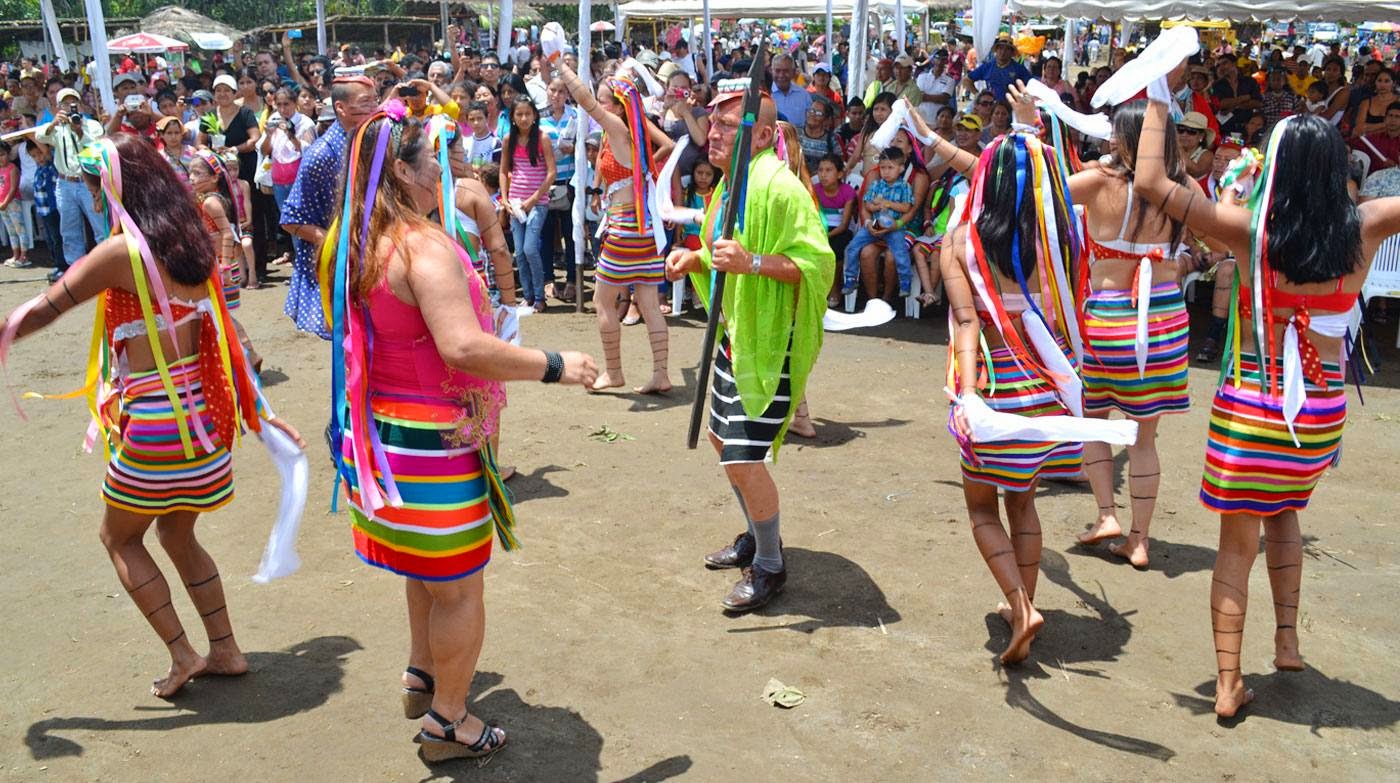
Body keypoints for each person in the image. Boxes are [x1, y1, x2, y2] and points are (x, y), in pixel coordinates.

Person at [323, 106, 596, 762]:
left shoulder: (354, 237)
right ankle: (448, 720)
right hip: (434, 448)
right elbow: (463, 347)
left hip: (383, 437)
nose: (455, 170)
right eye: (441, 161)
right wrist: (556, 365)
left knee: (427, 570)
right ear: (405, 171)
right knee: (461, 587)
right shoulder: (423, 246)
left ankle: (422, 669)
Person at [1136, 61, 1400, 719]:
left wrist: (1158, 94)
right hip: (1318, 415)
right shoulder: (1365, 224)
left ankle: (1228, 684)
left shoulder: (1248, 231)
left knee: (1236, 544)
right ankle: (1286, 640)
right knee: (1285, 510)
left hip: (1251, 411)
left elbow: (1149, 181)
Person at [0, 134, 302, 698]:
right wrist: (261, 410)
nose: (93, 197)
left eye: (95, 187)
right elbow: (228, 336)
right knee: (178, 533)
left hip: (157, 426)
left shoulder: (123, 254)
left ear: (114, 189)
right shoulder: (192, 241)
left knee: (119, 539)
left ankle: (184, 654)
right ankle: (226, 650)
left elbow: (40, 312)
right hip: (204, 424)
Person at [664, 81, 834, 611]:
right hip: (733, 336)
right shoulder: (730, 184)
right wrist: (697, 259)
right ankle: (758, 538)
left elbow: (816, 265)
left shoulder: (779, 187)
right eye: (710, 123)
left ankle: (769, 566)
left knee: (742, 457)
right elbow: (727, 250)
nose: (709, 132)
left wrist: (753, 264)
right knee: (722, 444)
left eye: (724, 126)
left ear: (760, 135)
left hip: (768, 344)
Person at [941, 125, 1080, 665]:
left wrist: (971, 394)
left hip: (996, 391)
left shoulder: (962, 242)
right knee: (1023, 501)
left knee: (981, 508)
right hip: (1043, 396)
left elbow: (966, 320)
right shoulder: (1059, 241)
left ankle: (1020, 605)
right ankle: (1025, 604)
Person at [1045, 96, 1196, 570]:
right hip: (1166, 317)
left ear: (1127, 139)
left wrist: (1035, 131)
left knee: (1095, 420)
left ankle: (1107, 514)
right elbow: (1208, 239)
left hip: (1111, 316)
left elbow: (1035, 195)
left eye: (1115, 132)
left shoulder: (1097, 182)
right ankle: (1140, 540)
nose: (1108, 138)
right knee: (1145, 440)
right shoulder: (1184, 186)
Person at [556, 56, 675, 394]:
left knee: (603, 301)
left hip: (624, 230)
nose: (600, 105)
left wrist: (560, 66)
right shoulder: (632, 131)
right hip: (646, 230)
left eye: (606, 100)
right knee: (649, 304)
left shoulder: (619, 130)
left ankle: (614, 372)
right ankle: (660, 374)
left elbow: (584, 100)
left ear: (619, 108)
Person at [281, 74, 378, 339]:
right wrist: (335, 243)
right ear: (341, 108)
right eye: (365, 102)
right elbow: (290, 218)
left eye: (375, 100)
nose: (374, 108)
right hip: (339, 264)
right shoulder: (321, 155)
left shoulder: (372, 141)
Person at [36, 87, 106, 277]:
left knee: (100, 227)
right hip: (65, 183)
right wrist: (53, 123)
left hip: (88, 182)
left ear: (80, 104)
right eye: (65, 103)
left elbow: (96, 146)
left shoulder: (90, 124)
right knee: (69, 229)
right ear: (58, 107)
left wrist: (79, 131)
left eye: (72, 103)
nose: (70, 107)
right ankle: (76, 271)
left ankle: (106, 267)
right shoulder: (58, 126)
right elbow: (40, 136)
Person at [499, 97, 556, 312]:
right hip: (515, 203)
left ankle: (540, 296)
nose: (524, 118)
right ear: (512, 117)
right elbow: (503, 171)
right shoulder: (508, 140)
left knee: (530, 248)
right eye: (519, 114)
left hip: (537, 202)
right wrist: (504, 200)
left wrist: (533, 199)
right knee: (520, 253)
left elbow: (552, 173)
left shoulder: (542, 138)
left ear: (534, 116)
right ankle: (529, 296)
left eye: (528, 114)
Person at [843, 147, 915, 297]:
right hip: (877, 223)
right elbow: (867, 204)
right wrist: (876, 206)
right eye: (883, 168)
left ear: (901, 168)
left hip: (895, 226)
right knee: (852, 246)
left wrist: (887, 203)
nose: (886, 171)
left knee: (899, 252)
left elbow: (906, 207)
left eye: (891, 167)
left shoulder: (904, 187)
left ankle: (905, 282)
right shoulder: (876, 185)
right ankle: (850, 277)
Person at [964, 37, 1032, 102]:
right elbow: (967, 80)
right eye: (1000, 48)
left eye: (1007, 49)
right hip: (991, 107)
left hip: (1011, 107)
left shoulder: (1018, 69)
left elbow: (1032, 86)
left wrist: (1025, 102)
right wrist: (978, 95)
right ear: (996, 50)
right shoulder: (988, 66)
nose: (1003, 52)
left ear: (1012, 53)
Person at [1213, 54, 1263, 137]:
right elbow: (1221, 104)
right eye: (1219, 65)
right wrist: (1245, 97)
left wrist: (1233, 105)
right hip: (1225, 127)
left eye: (1225, 63)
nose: (1222, 67)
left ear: (1234, 63)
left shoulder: (1249, 81)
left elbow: (1258, 102)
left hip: (1247, 126)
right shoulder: (1217, 85)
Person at [1351, 102, 1400, 173]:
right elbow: (1352, 145)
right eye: (1390, 115)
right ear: (1385, 119)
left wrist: (1396, 167)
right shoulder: (1372, 139)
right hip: (1371, 180)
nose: (1393, 120)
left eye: (1397, 116)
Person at [1352, 68, 1398, 138]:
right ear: (1375, 82)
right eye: (1379, 81)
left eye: (1387, 81)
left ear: (1394, 83)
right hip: (1367, 141)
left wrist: (1368, 128)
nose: (1382, 85)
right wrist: (1386, 125)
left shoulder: (1398, 100)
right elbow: (1358, 128)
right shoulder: (1366, 102)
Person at [769, 54, 813, 124]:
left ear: (793, 72)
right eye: (777, 71)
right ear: (771, 71)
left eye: (786, 71)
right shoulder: (764, 94)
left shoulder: (804, 95)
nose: (781, 75)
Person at [1177, 111, 1215, 181]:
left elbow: (1196, 172)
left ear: (1201, 136)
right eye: (1181, 130)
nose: (1184, 134)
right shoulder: (1170, 150)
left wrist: (1179, 148)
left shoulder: (1207, 155)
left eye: (1191, 131)